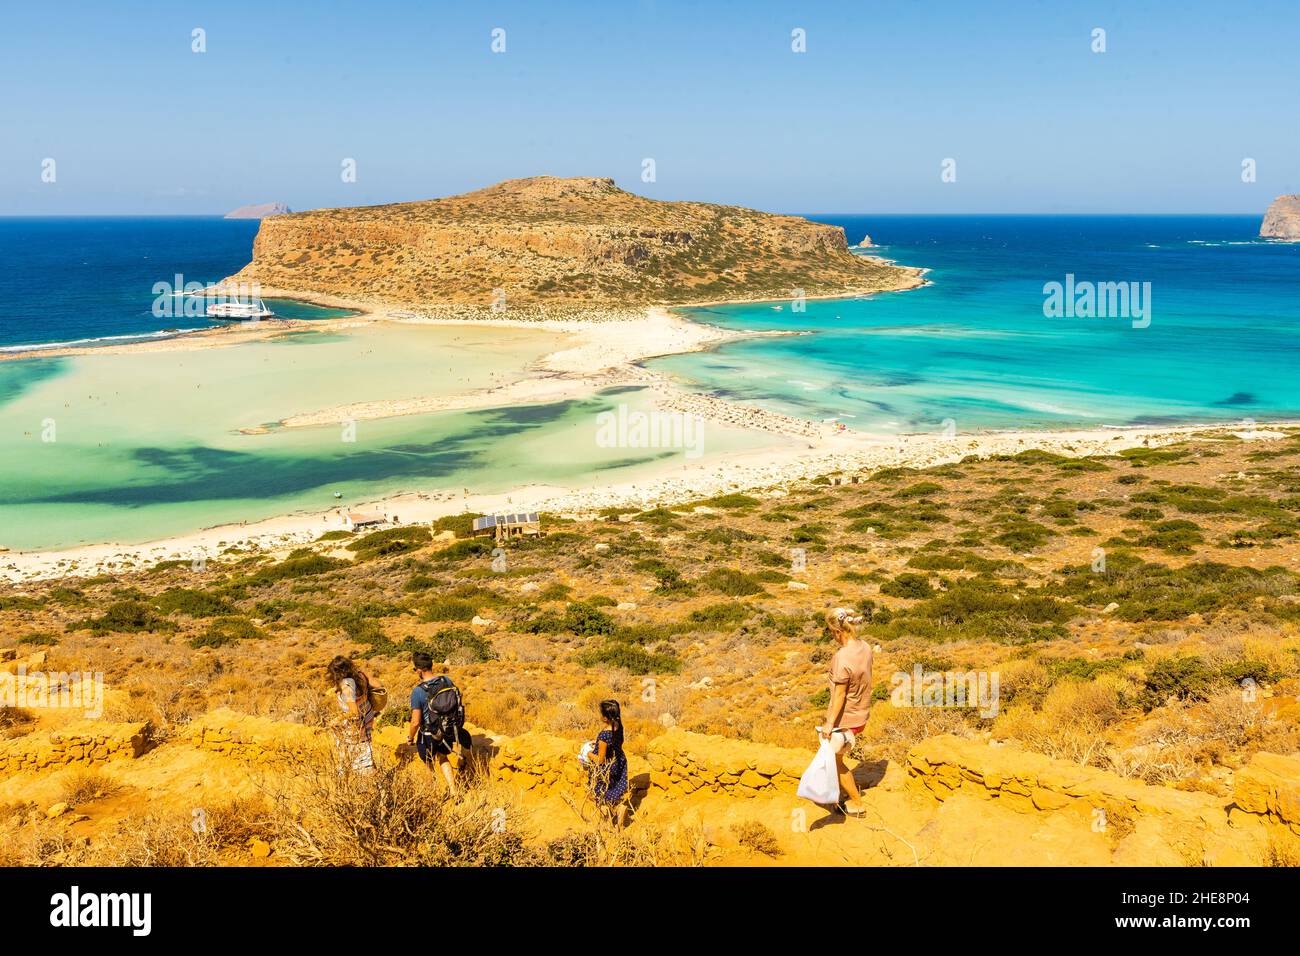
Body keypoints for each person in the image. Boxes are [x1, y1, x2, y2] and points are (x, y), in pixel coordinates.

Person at [820, 607, 872, 817]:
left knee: (835, 760)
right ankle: (839, 795)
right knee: (836, 757)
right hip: (861, 713)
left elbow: (840, 696)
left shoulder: (842, 657)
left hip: (846, 719)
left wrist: (829, 723)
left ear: (836, 632)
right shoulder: (865, 647)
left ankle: (857, 804)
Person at [405, 651, 459, 795]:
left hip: (428, 734)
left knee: (429, 763)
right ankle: (454, 791)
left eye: (415, 669)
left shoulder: (418, 691)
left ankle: (433, 792)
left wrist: (410, 737)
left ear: (419, 670)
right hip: (447, 729)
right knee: (443, 757)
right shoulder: (446, 681)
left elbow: (415, 722)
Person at [327, 655, 376, 773]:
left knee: (356, 759)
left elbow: (354, 712)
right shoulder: (360, 675)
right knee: (365, 755)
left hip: (355, 727)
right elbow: (378, 684)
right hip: (367, 719)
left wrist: (337, 719)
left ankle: (353, 785)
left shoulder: (347, 685)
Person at [585, 699, 628, 823]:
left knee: (601, 791)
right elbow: (615, 742)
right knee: (613, 787)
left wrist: (588, 753)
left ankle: (609, 817)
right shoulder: (618, 725)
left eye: (601, 713)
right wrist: (598, 743)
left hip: (607, 766)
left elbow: (600, 760)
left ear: (605, 718)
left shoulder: (604, 735)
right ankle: (619, 807)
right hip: (618, 760)